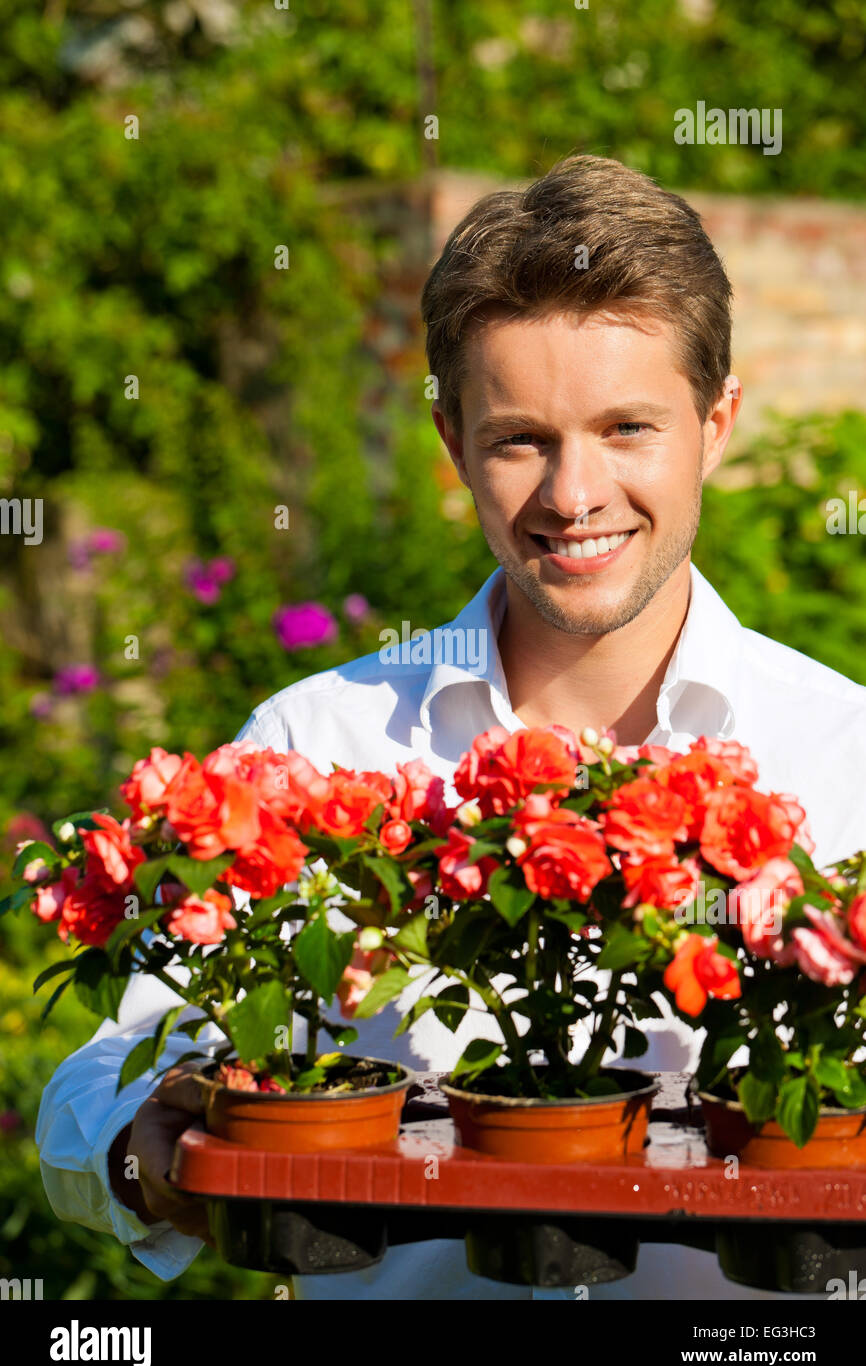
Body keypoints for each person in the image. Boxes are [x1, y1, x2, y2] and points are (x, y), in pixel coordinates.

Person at [37, 154, 866, 1301]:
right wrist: (157, 1151)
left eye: (627, 427)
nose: (572, 495)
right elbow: (99, 1082)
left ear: (716, 423)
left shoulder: (842, 755)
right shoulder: (320, 742)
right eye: (519, 438)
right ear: (448, 438)